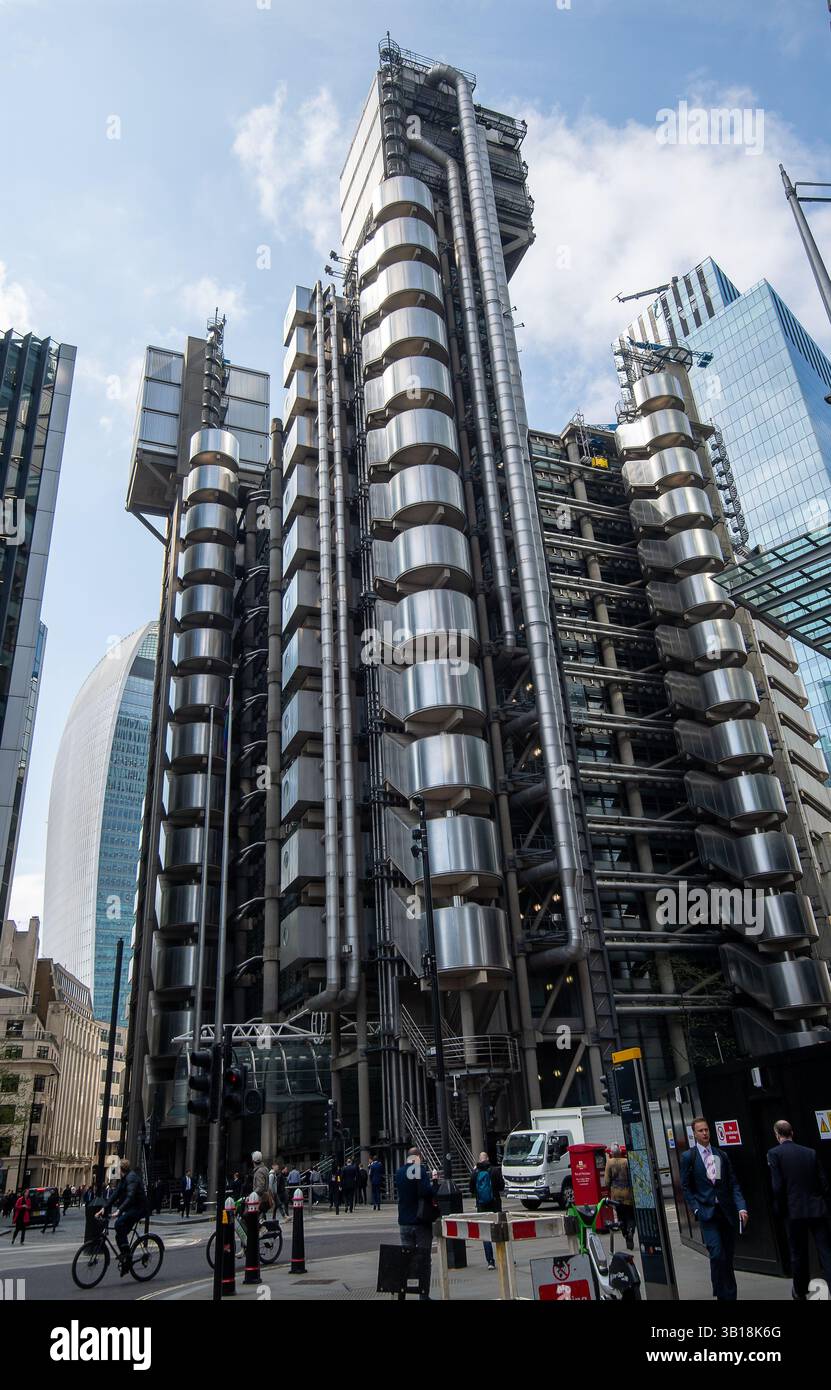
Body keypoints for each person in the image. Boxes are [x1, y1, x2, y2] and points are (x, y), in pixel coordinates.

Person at [680, 1116, 748, 1301]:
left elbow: (732, 1183)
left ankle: (729, 1294)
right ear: (694, 1134)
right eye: (701, 1131)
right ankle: (721, 1292)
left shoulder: (720, 1155)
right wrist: (695, 1209)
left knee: (727, 1255)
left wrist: (741, 1207)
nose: (705, 1133)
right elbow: (686, 1186)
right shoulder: (689, 1157)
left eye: (707, 1130)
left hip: (725, 1212)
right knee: (717, 1254)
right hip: (706, 1213)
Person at [767, 1119, 831, 1301]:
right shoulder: (810, 1153)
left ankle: (800, 1290)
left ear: (777, 1135)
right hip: (816, 1209)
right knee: (826, 1251)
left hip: (794, 1211)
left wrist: (779, 1209)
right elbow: (824, 1183)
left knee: (798, 1253)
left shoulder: (774, 1154)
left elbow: (777, 1186)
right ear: (792, 1133)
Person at [395, 1148, 437, 1301]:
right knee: (424, 1259)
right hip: (420, 1221)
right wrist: (434, 1182)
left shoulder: (399, 1172)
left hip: (404, 1221)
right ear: (418, 1156)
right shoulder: (419, 1170)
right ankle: (423, 1295)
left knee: (407, 1259)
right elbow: (425, 1192)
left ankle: (402, 1294)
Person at [99, 1159, 148, 1275]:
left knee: (119, 1223)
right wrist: (104, 1208)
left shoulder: (131, 1178)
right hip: (132, 1207)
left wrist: (119, 1210)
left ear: (121, 1170)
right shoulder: (125, 1178)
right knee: (119, 1231)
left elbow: (130, 1196)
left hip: (138, 1208)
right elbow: (115, 1194)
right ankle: (126, 1258)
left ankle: (127, 1256)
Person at [469, 1151, 505, 1269]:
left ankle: (490, 1261)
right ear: (488, 1159)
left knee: (485, 1233)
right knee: (500, 1230)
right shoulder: (495, 1170)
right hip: (495, 1204)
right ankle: (503, 1258)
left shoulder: (475, 1173)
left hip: (481, 1206)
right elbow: (501, 1186)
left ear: (479, 1160)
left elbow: (471, 1190)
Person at [604, 1144, 635, 1250]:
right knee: (630, 1215)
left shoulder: (609, 1162)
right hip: (627, 1193)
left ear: (612, 1153)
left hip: (616, 1194)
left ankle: (626, 1234)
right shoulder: (626, 1161)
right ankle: (631, 1230)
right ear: (620, 1152)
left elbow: (607, 1181)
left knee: (621, 1216)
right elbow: (632, 1176)